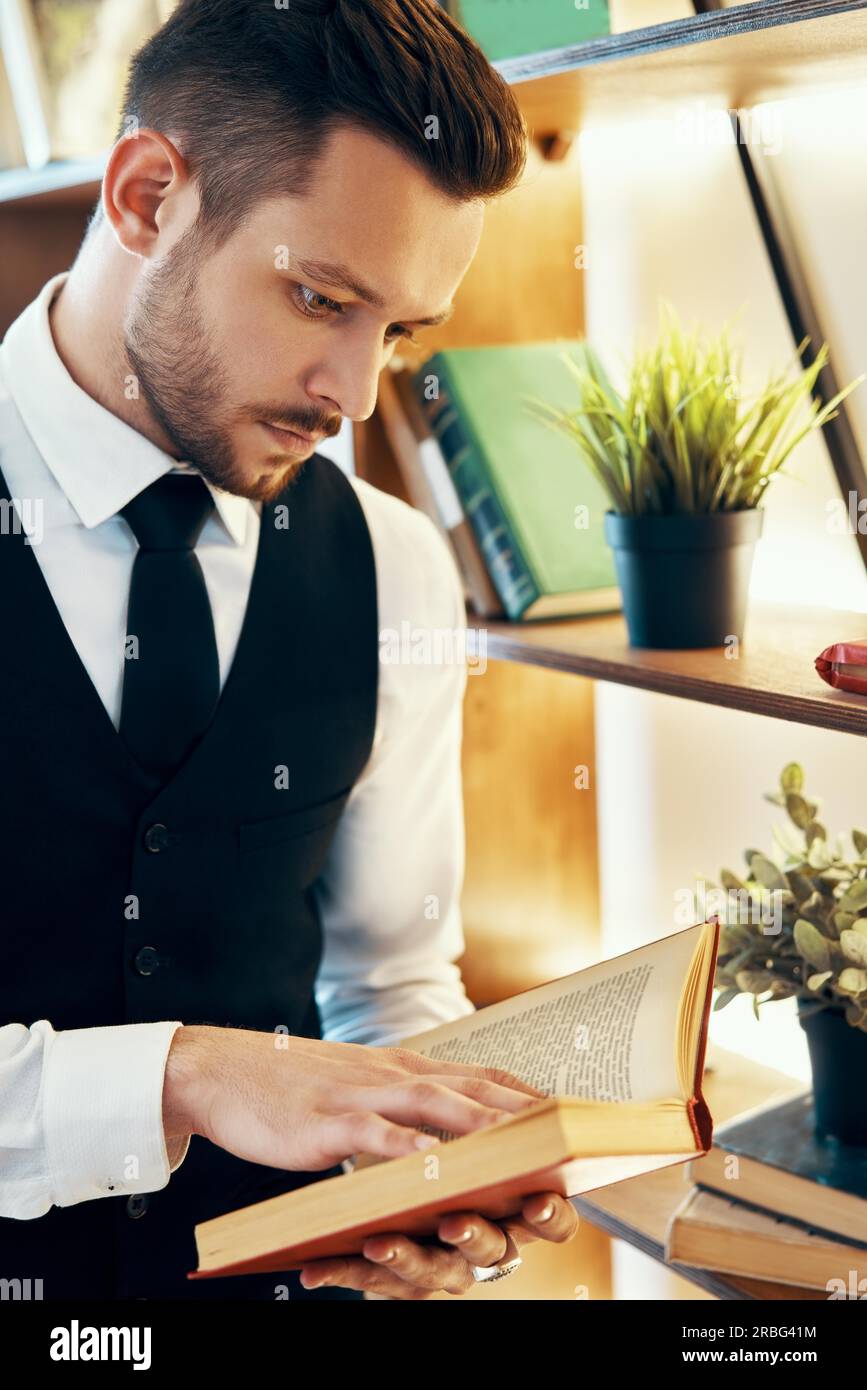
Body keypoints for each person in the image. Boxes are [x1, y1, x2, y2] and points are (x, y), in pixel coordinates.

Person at [0, 0, 578, 1300]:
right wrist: (184, 1072)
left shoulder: (394, 565)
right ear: (147, 194)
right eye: (319, 296)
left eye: (400, 333)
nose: (354, 392)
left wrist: (429, 1173)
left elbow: (389, 973)